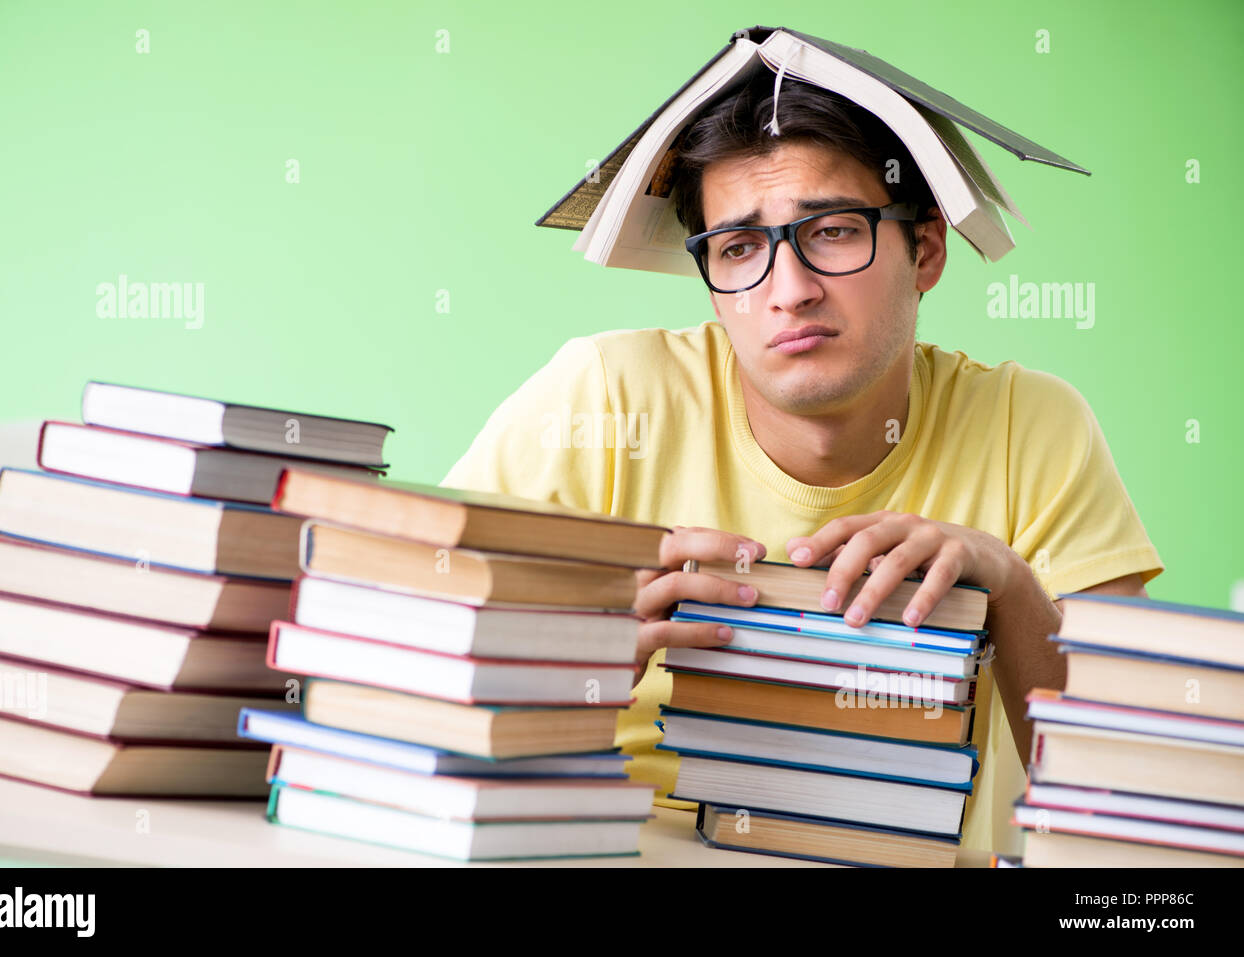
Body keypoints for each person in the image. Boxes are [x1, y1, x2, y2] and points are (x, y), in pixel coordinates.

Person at [442, 69, 1164, 853]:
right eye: (740, 246)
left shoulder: (1035, 426)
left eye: (833, 231)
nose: (789, 290)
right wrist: (560, 673)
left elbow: (1139, 799)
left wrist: (1011, 584)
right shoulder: (603, 400)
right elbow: (401, 661)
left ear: (924, 251)